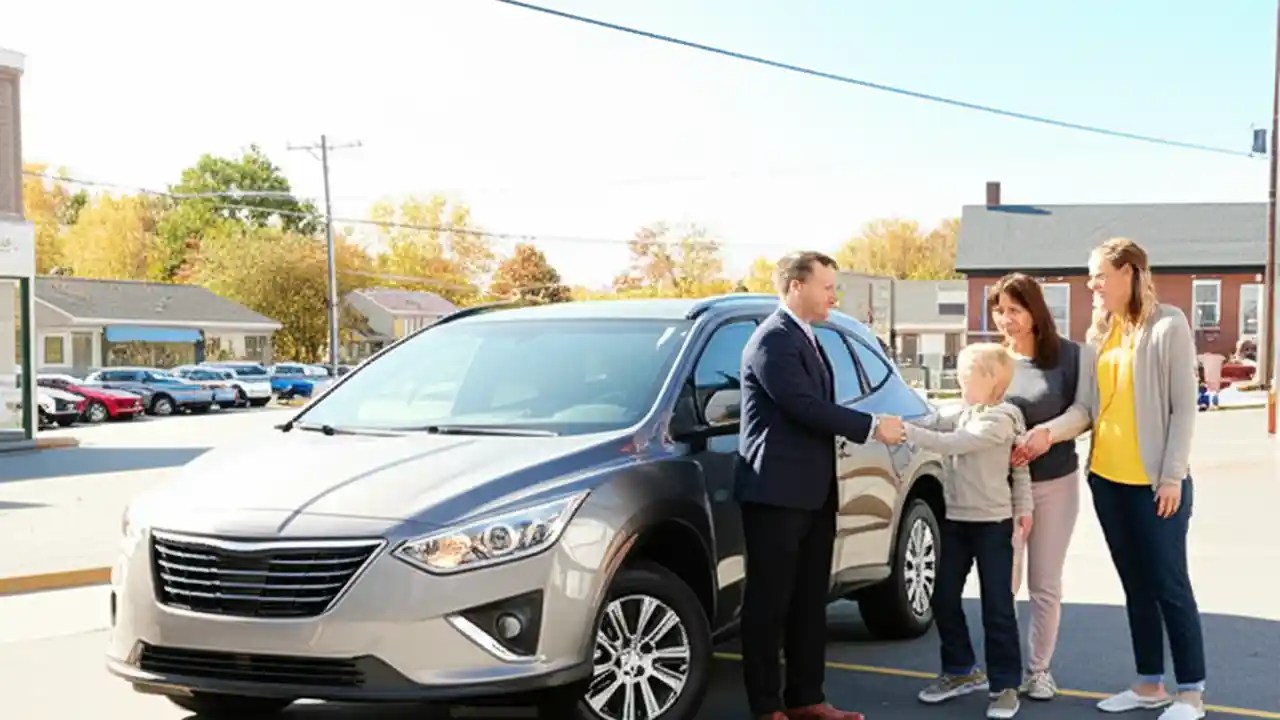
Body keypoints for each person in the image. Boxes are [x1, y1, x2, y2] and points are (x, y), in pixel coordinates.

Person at [1020, 237, 1206, 720]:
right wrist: (1047, 433)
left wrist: (1171, 476)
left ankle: (1190, 692)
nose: (1093, 285)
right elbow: (1084, 408)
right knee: (1135, 586)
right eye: (1092, 276)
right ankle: (1149, 685)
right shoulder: (1099, 332)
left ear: (1129, 273)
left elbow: (1184, 407)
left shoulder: (1169, 325)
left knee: (1170, 584)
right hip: (1107, 480)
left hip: (1155, 484)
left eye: (1100, 275)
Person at [735, 250, 905, 720]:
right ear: (795, 286)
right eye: (827, 285)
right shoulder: (771, 341)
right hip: (775, 494)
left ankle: (807, 698)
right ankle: (768, 706)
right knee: (770, 603)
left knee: (810, 600)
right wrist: (872, 426)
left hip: (814, 493)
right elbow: (804, 406)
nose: (835, 294)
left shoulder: (810, 338)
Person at [889, 342, 1032, 719]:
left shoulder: (999, 420)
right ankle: (960, 670)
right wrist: (889, 425)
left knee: (997, 606)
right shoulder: (966, 411)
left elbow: (956, 444)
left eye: (967, 378)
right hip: (956, 521)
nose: (960, 384)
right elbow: (934, 422)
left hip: (992, 524)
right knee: (943, 596)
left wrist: (1025, 509)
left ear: (992, 382)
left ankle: (1005, 686)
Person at [990, 274, 1083, 701]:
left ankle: (1039, 670)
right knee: (1003, 582)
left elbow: (1085, 412)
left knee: (1044, 583)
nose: (1005, 319)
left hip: (1056, 484)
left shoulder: (1069, 357)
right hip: (1001, 489)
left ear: (1034, 311)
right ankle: (1003, 672)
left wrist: (1046, 433)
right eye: (999, 310)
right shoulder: (993, 360)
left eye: (1014, 310)